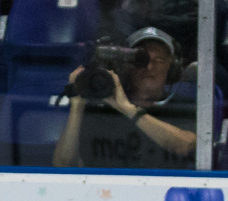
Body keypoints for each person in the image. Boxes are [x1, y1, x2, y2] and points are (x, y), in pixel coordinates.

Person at [51, 26, 200, 169]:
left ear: (172, 67)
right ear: (127, 66)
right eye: (140, 60)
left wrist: (128, 110)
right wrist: (77, 106)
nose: (149, 67)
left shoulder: (182, 105)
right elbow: (63, 164)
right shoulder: (102, 107)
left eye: (158, 60)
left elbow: (186, 145)